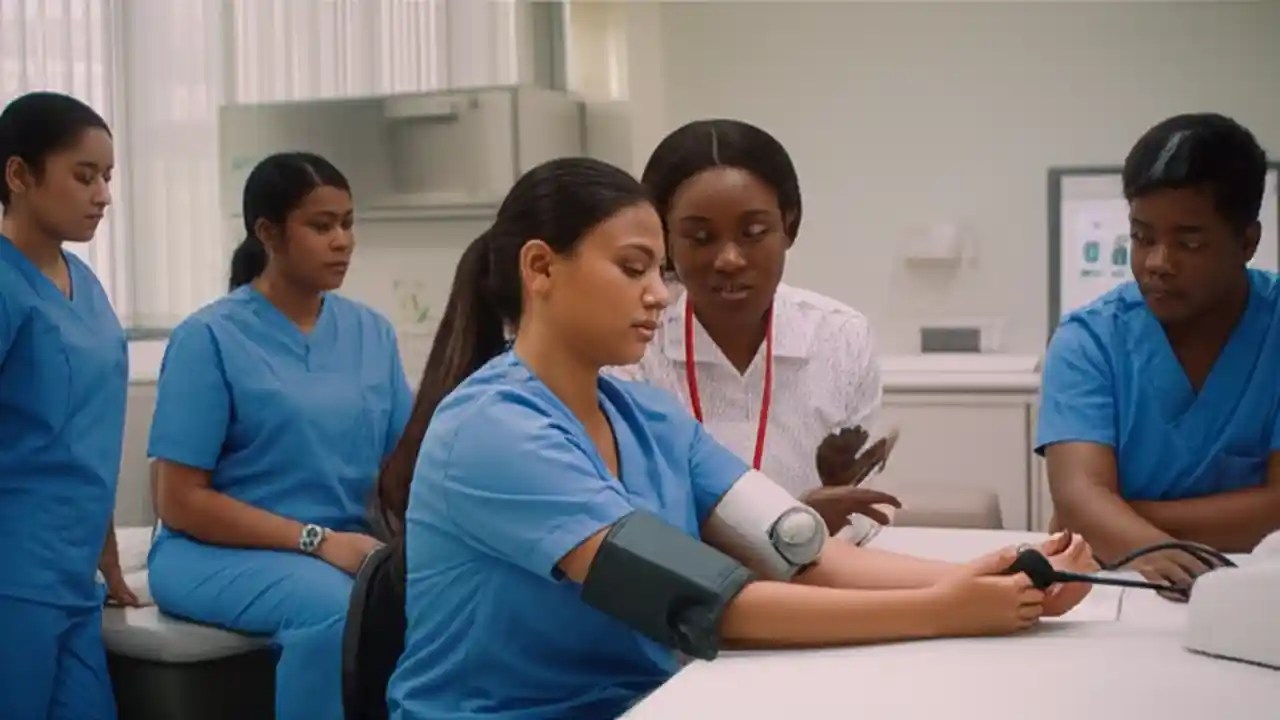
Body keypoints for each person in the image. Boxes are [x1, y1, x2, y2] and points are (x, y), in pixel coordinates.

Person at [379, 157, 1095, 719]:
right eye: (632, 269)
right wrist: (943, 611)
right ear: (540, 269)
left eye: (658, 272)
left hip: (657, 703)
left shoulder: (645, 418)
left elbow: (796, 548)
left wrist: (1001, 576)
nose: (659, 294)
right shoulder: (492, 429)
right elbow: (694, 598)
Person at [147, 152, 413, 720]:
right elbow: (177, 500)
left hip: (347, 550)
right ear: (267, 233)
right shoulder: (209, 338)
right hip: (211, 554)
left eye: (347, 222)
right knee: (335, 609)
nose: (343, 240)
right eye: (321, 226)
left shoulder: (371, 333)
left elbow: (404, 469)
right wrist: (318, 540)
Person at [610, 119, 900, 538]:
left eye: (754, 233)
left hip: (824, 583)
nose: (729, 258)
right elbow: (629, 520)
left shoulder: (840, 337)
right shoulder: (634, 345)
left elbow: (859, 508)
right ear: (665, 239)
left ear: (789, 226)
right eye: (700, 236)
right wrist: (784, 528)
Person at [1038, 113, 1280, 592]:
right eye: (1142, 237)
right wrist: (1151, 549)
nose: (1157, 263)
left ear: (1248, 241)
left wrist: (1122, 520)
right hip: (1121, 583)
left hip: (1258, 588)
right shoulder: (1090, 341)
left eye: (1188, 242)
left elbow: (1087, 510)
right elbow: (1079, 498)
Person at [0, 91, 132, 720]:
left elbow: (90, 433)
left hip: (74, 579)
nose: (102, 195)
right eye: (84, 177)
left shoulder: (90, 286)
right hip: (11, 579)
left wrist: (106, 553)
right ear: (19, 175)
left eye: (106, 177)